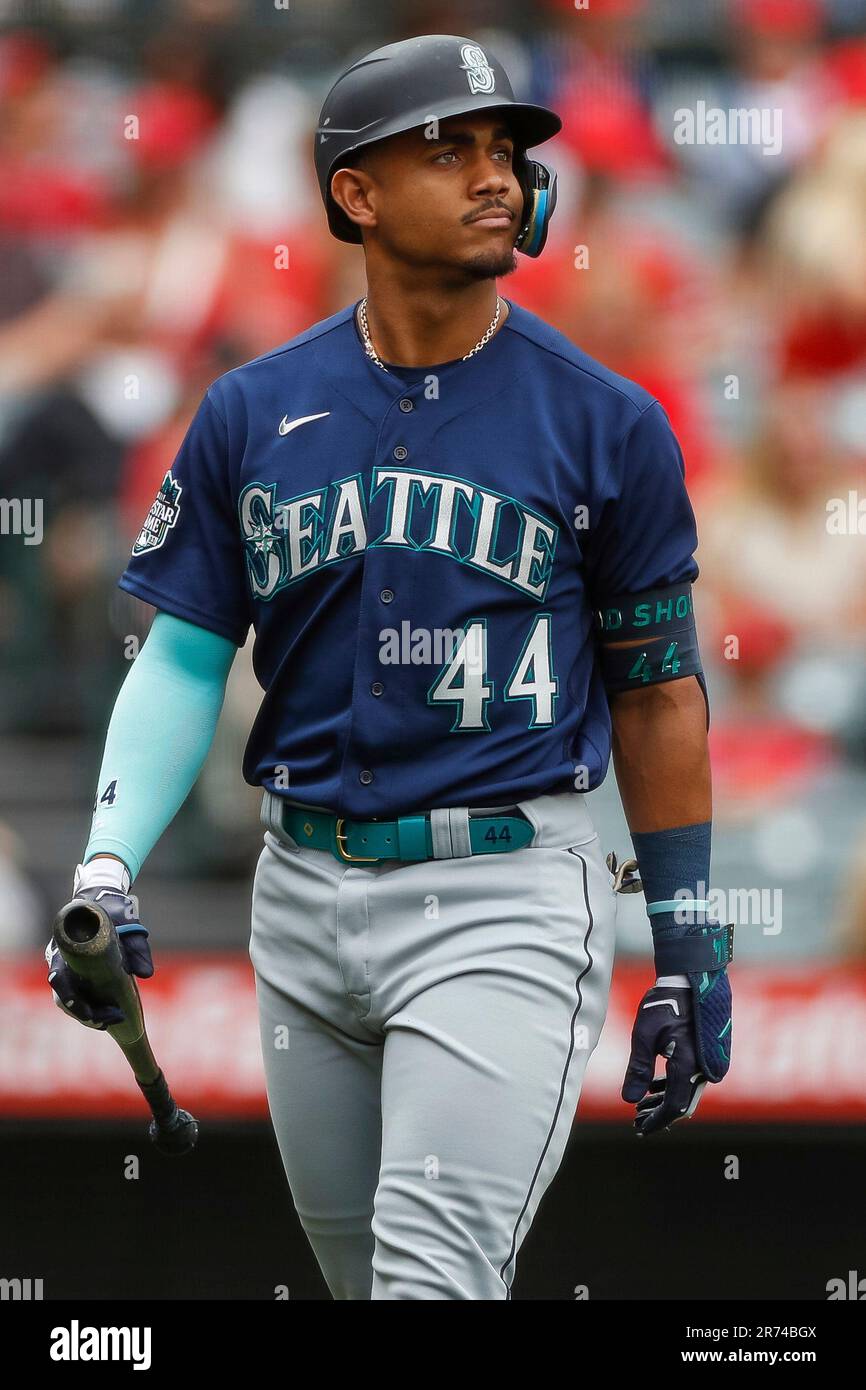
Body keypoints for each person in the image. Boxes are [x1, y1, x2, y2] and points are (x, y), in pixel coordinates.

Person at [45, 34, 733, 1301]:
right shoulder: (252, 408)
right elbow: (183, 656)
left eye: (504, 152)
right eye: (450, 147)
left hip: (503, 891)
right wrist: (105, 859)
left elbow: (657, 693)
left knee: (430, 1285)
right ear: (354, 194)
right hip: (298, 891)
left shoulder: (606, 423)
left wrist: (689, 944)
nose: (494, 175)